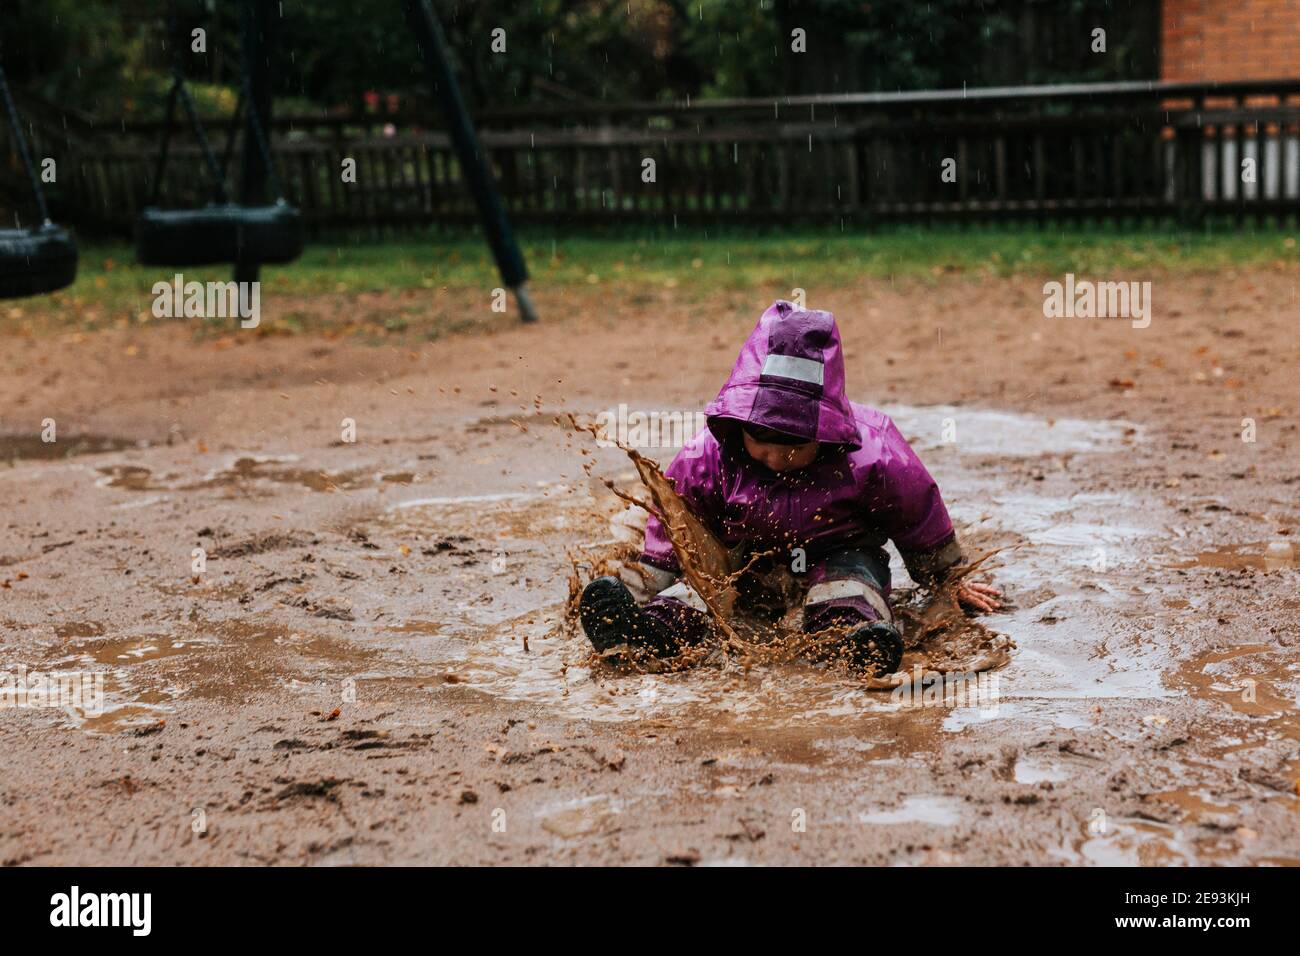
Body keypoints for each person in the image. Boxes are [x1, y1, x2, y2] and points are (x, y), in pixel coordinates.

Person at [580, 300, 1001, 676]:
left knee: (848, 593)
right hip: (741, 558)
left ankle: (854, 644)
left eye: (795, 447)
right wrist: (649, 577)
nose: (778, 458)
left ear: (826, 431)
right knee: (698, 594)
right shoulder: (708, 454)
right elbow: (677, 522)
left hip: (838, 552)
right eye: (763, 445)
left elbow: (917, 513)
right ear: (740, 424)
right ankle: (643, 631)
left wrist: (947, 575)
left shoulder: (873, 451)